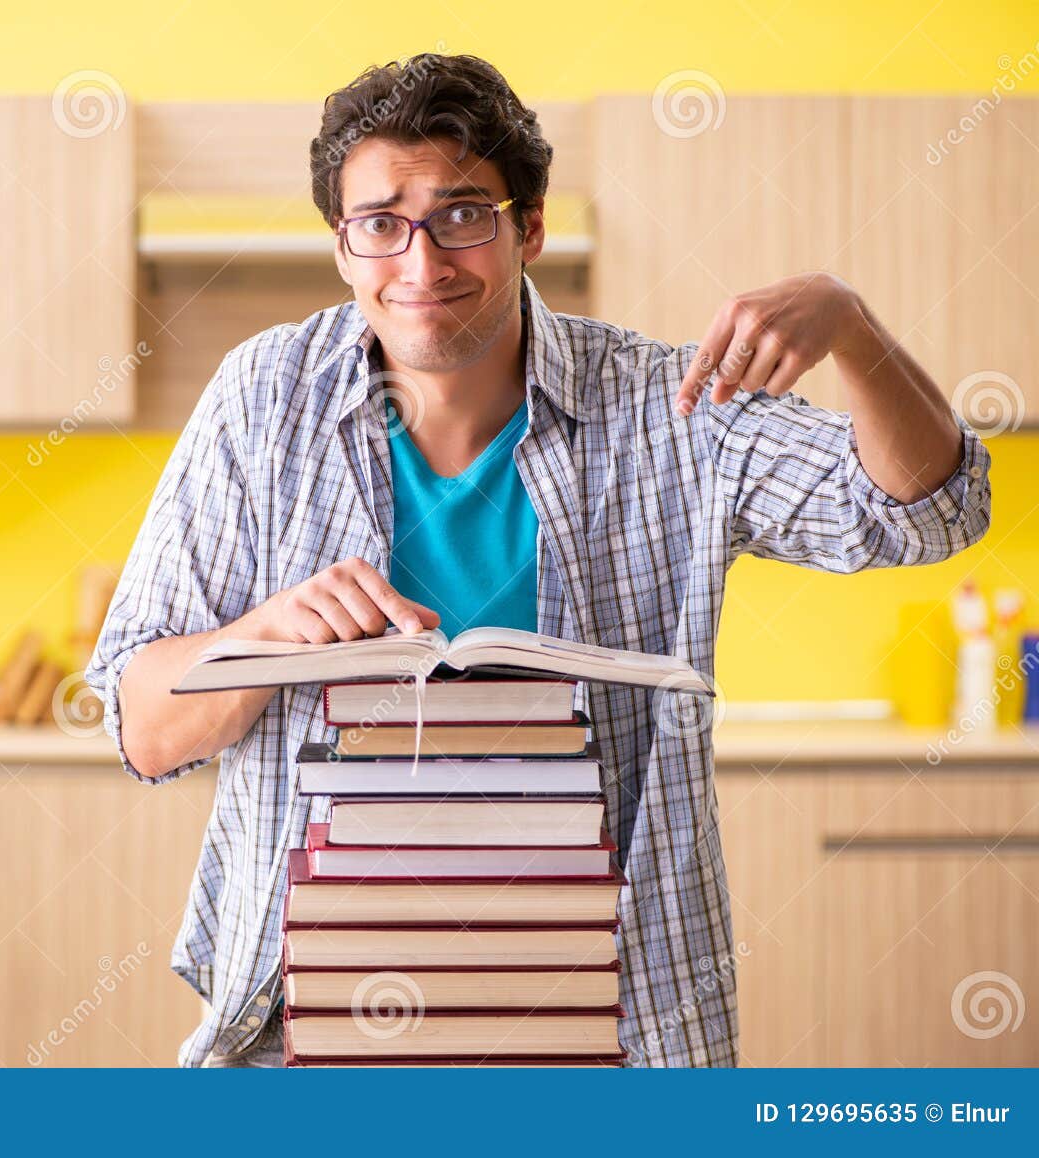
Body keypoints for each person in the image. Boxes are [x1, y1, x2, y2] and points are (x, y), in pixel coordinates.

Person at [84, 53, 992, 1067]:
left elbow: (932, 514)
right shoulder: (262, 398)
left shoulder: (667, 407)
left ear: (532, 228)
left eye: (462, 215)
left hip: (606, 1033)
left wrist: (852, 327)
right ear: (342, 245)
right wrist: (262, 638)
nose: (422, 264)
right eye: (380, 223)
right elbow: (144, 729)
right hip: (310, 1029)